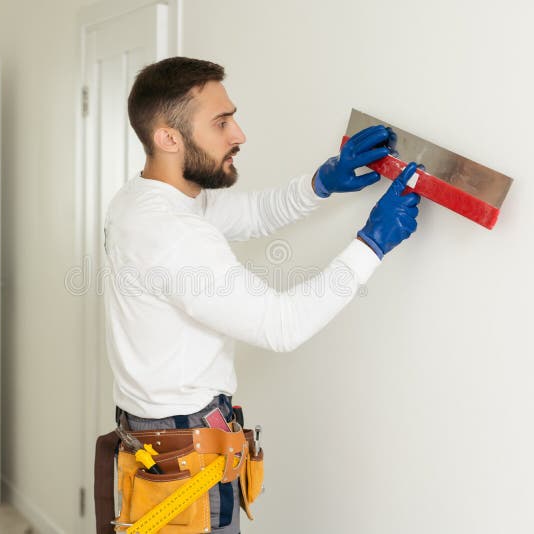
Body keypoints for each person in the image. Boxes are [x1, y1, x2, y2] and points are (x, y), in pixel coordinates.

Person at [102, 57, 420, 533]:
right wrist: (371, 245)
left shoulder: (145, 197)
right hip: (184, 454)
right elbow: (281, 326)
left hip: (164, 440)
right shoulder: (172, 233)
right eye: (221, 123)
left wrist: (320, 183)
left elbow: (251, 214)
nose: (239, 134)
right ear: (168, 138)